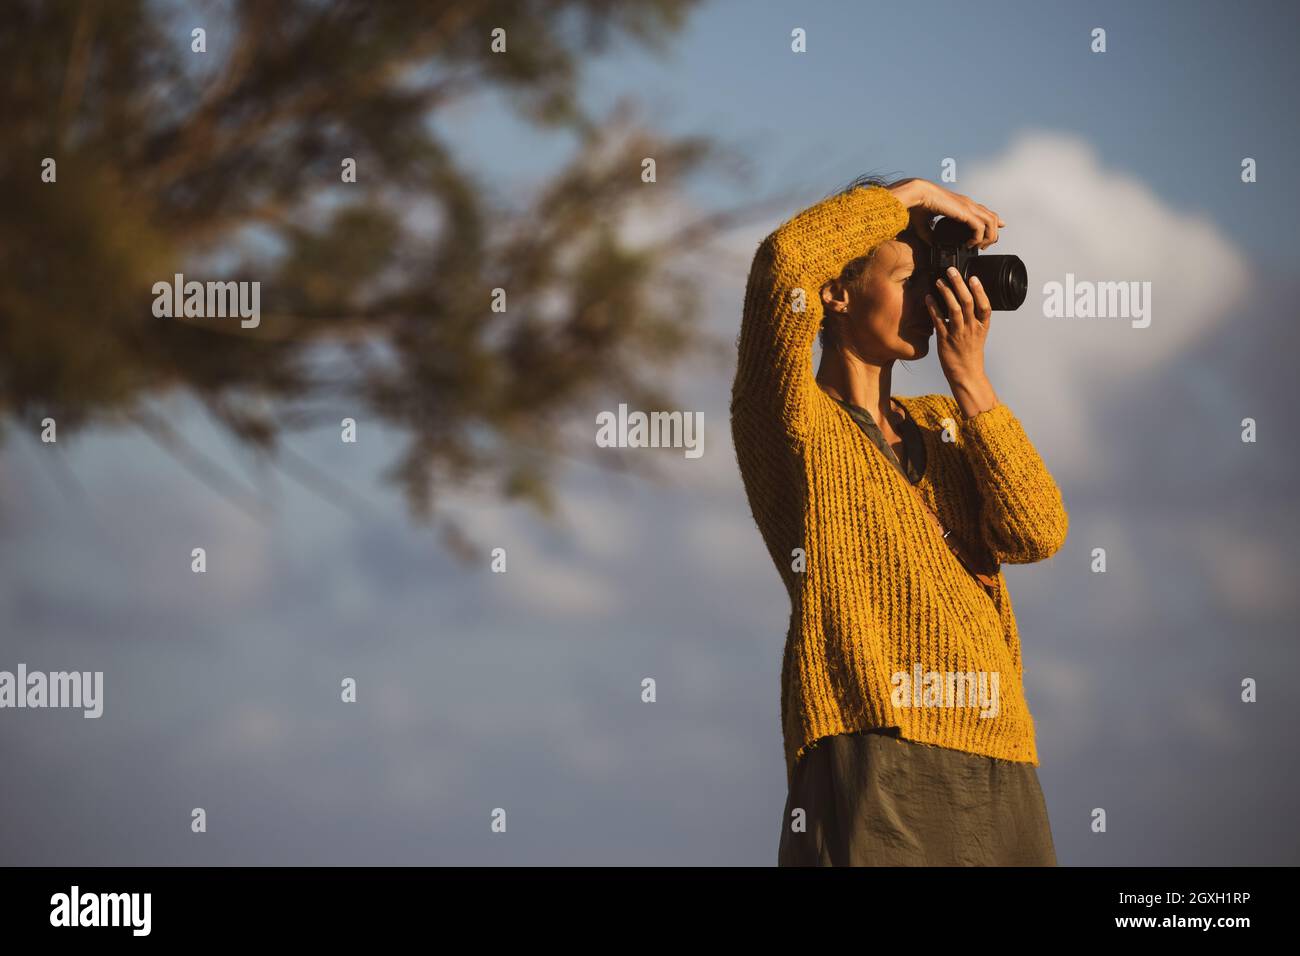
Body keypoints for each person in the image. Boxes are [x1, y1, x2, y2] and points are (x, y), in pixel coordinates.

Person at [729, 174, 1069, 865]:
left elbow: (1037, 532)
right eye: (908, 279)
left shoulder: (945, 424)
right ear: (838, 291)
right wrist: (910, 195)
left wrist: (971, 382)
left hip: (999, 748)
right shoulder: (794, 418)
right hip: (874, 745)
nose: (928, 299)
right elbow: (784, 264)